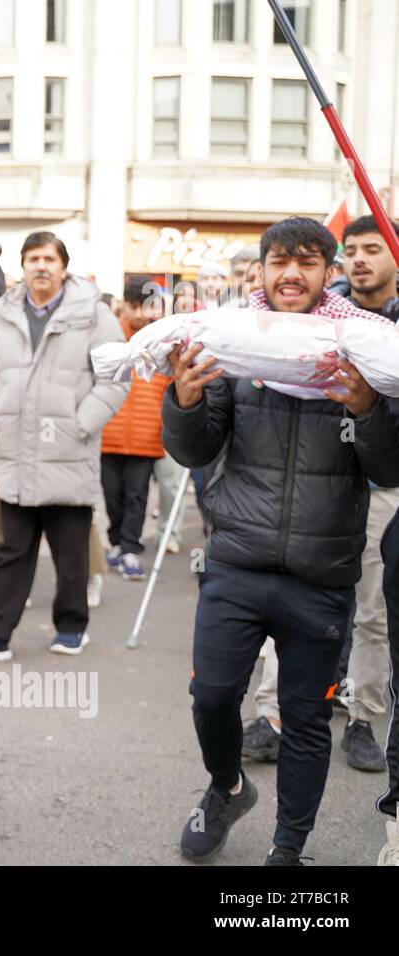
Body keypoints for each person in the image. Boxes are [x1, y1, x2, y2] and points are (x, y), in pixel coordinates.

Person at [164, 216, 399, 866]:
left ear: (330, 273)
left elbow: (389, 469)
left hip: (320, 576)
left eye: (306, 261)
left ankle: (287, 851)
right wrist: (182, 401)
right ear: (262, 272)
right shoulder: (232, 341)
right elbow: (195, 446)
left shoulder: (364, 348)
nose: (290, 273)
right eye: (278, 262)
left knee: (302, 725)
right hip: (236, 561)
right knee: (211, 697)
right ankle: (227, 787)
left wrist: (366, 410)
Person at [245, 214, 399, 775]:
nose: (361, 260)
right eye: (351, 251)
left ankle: (362, 718)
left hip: (382, 488)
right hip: (313, 492)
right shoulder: (307, 316)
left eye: (373, 249)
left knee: (373, 614)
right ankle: (273, 716)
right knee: (282, 603)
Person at [0, 232, 128, 664]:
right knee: (10, 551)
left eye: (49, 259)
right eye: (33, 258)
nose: (41, 266)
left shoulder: (94, 315)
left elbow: (116, 378)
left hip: (68, 452)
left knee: (71, 550)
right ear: (22, 265)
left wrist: (81, 423)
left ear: (63, 266)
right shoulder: (4, 315)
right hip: (15, 453)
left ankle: (72, 627)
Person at [98, 283, 171, 582]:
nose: (141, 313)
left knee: (137, 497)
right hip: (108, 433)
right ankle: (116, 542)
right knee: (112, 496)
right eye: (135, 306)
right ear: (123, 305)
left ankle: (129, 547)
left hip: (145, 435)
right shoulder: (107, 337)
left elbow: (170, 387)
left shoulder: (163, 341)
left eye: (147, 306)